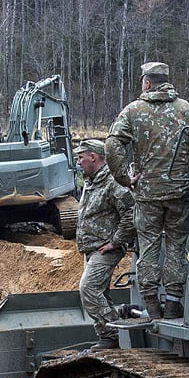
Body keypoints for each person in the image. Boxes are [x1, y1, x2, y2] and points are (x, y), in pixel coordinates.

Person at [105, 60, 189, 320]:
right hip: (179, 194)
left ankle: (151, 304)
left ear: (147, 83)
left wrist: (124, 178)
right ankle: (172, 303)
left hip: (147, 195)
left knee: (149, 246)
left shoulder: (133, 111)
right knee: (176, 247)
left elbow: (112, 145)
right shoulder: (186, 109)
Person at [73, 139, 136, 350]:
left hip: (105, 249)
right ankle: (115, 335)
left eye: (81, 157)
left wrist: (115, 242)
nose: (78, 162)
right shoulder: (91, 181)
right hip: (91, 249)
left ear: (93, 157)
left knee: (88, 289)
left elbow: (130, 213)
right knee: (100, 293)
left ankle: (111, 335)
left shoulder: (113, 182)